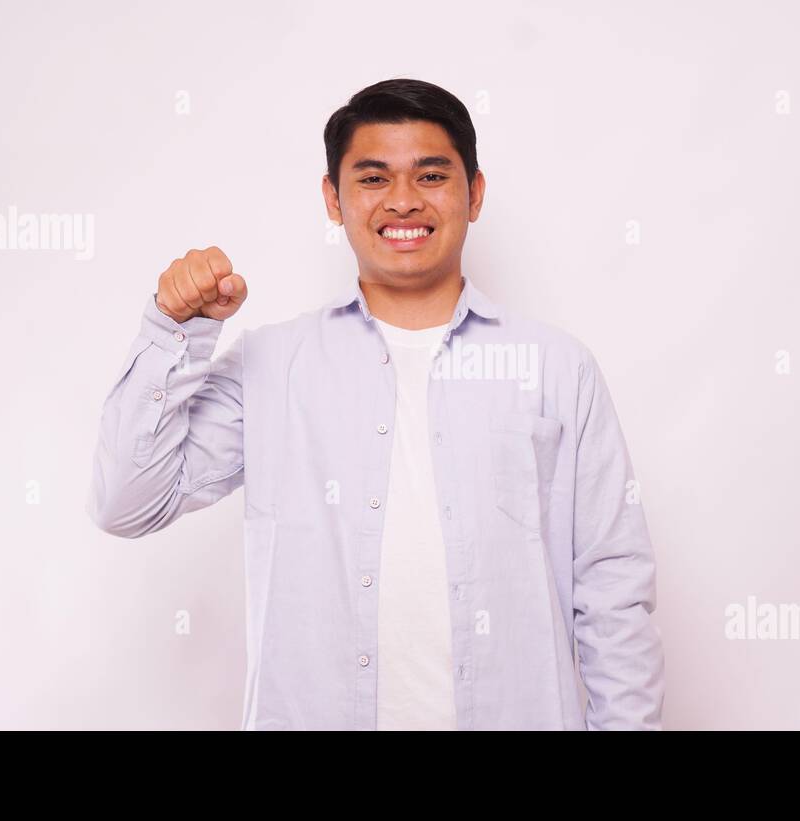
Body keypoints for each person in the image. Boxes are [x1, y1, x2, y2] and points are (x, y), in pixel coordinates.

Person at [86, 78, 664, 730]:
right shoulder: (272, 366)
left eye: (431, 176)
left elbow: (613, 592)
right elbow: (126, 503)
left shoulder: (556, 367)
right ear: (333, 199)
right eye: (372, 179)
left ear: (474, 193)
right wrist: (176, 330)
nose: (403, 200)